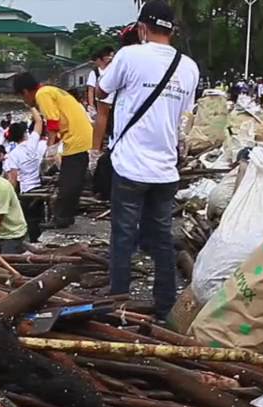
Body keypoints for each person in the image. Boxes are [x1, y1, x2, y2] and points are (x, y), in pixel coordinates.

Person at [94, 0, 200, 322]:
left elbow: (101, 90)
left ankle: (118, 301)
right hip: (165, 169)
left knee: (124, 234)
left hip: (130, 166)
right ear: (172, 30)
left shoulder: (129, 55)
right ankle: (165, 303)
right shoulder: (189, 67)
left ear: (142, 27)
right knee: (162, 237)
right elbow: (185, 113)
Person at [12, 71, 94, 230]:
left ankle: (62, 219)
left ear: (25, 92)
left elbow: (53, 122)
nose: (26, 101)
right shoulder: (50, 90)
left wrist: (51, 147)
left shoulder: (42, 95)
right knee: (74, 179)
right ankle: (67, 216)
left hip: (75, 138)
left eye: (22, 97)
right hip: (81, 135)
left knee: (68, 182)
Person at [5, 109, 48, 242]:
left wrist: (11, 198)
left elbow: (13, 180)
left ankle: (35, 243)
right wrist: (32, 106)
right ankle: (41, 239)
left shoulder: (13, 154)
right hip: (39, 186)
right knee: (40, 217)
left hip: (27, 191)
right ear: (24, 133)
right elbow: (39, 122)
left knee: (31, 221)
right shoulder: (33, 143)